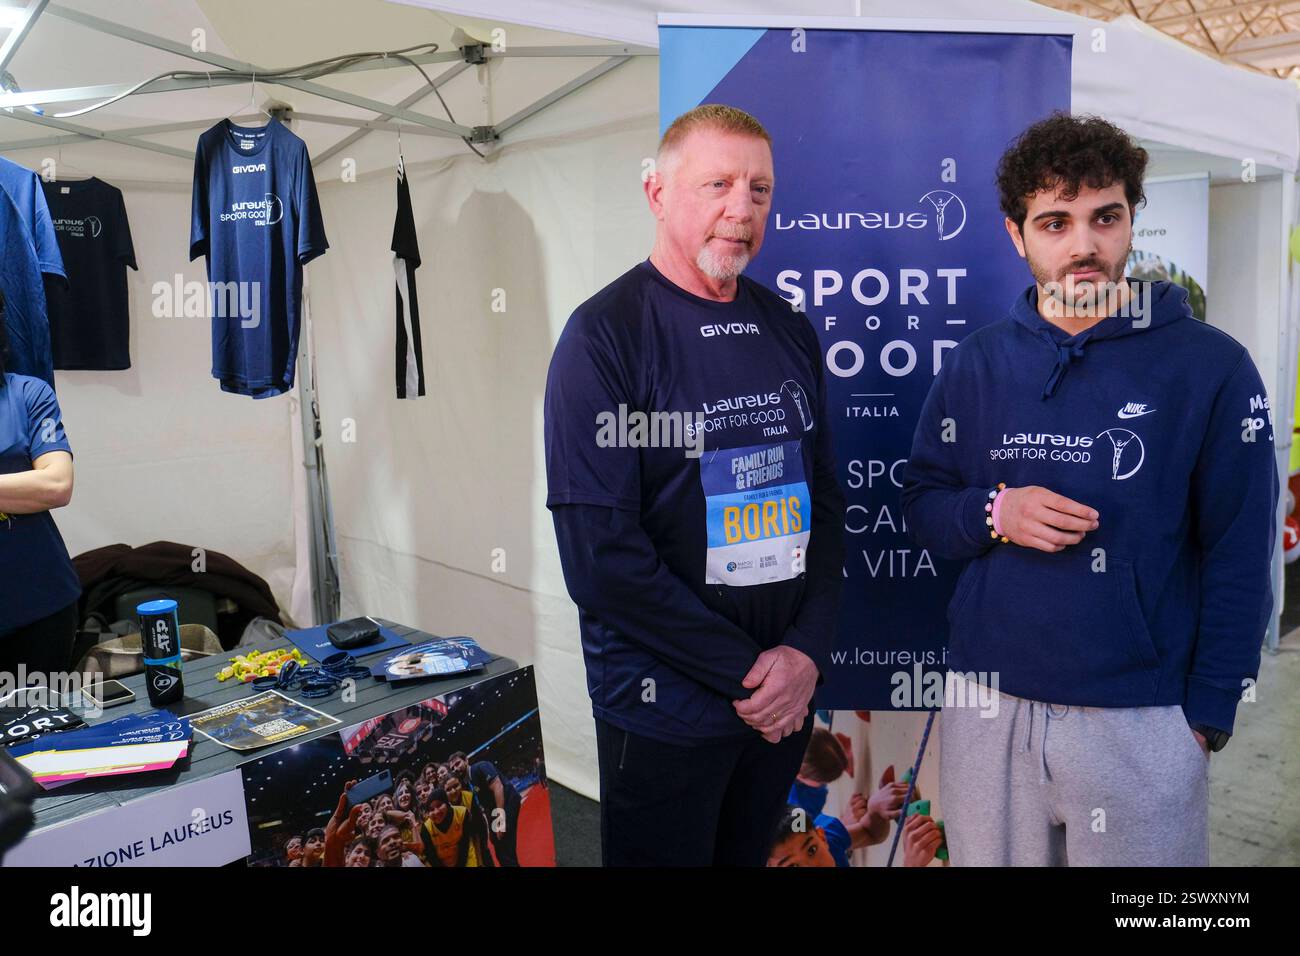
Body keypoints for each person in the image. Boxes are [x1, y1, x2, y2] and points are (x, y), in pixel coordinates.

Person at [900, 112, 1278, 866]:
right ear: (1016, 234)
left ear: (1132, 217)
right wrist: (993, 511)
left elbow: (1240, 552)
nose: (1083, 246)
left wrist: (1205, 715)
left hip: (1143, 720)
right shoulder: (976, 363)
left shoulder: (1212, 368)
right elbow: (923, 502)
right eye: (1055, 222)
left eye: (1105, 217)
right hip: (988, 705)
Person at [543, 103, 846, 867]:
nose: (740, 211)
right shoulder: (605, 337)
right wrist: (751, 674)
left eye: (760, 190)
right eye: (717, 184)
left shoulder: (787, 325)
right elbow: (601, 559)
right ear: (656, 194)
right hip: (665, 715)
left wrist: (803, 656)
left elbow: (828, 505)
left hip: (777, 713)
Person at [0, 307, 80, 679]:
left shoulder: (28, 393)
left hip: (41, 607)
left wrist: (36, 485)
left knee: (43, 730)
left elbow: (56, 485)